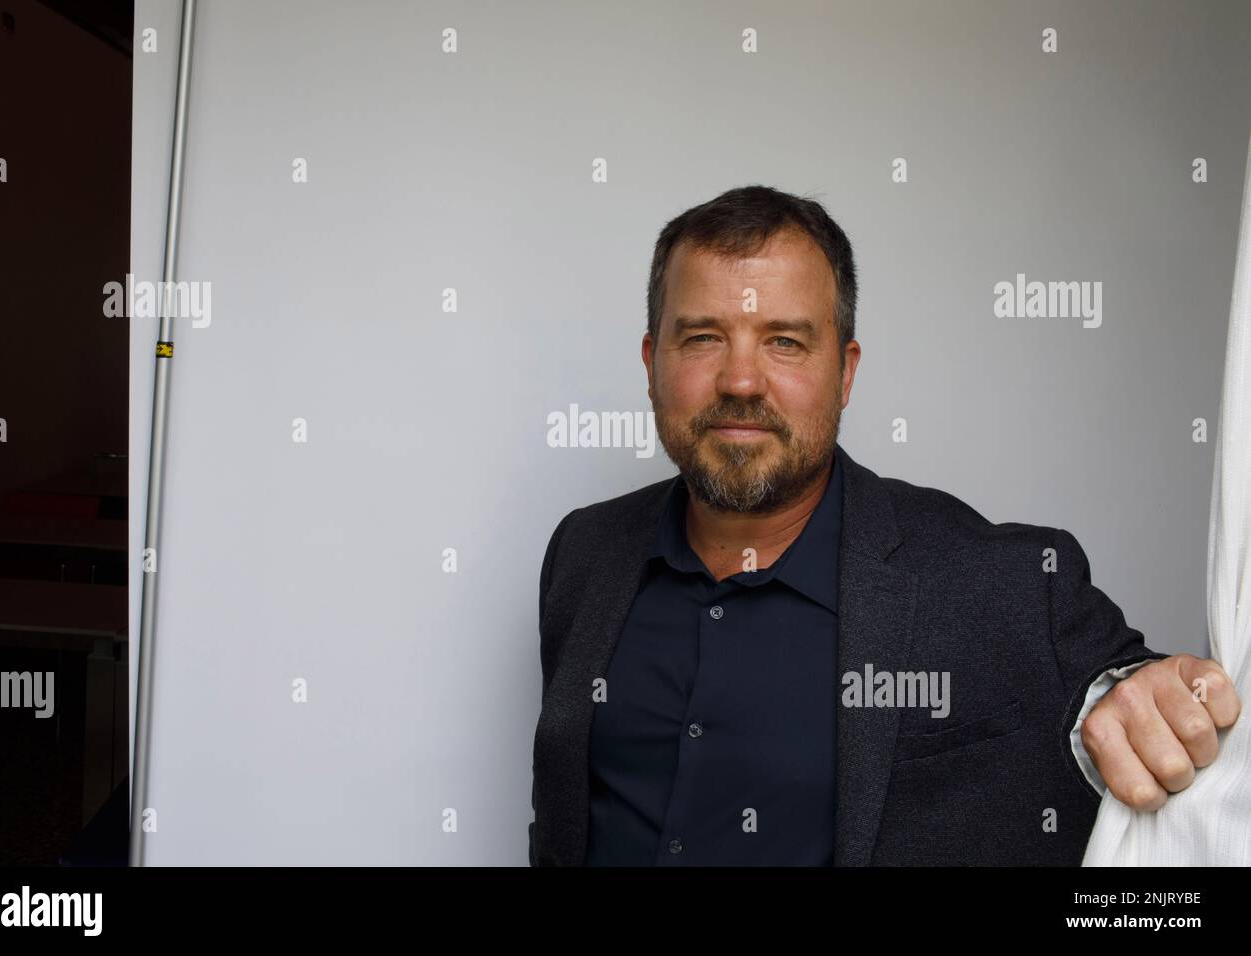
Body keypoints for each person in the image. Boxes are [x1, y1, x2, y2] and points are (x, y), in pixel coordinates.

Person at [528, 185, 1241, 866]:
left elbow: (1121, 694)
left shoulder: (1009, 585)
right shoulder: (583, 556)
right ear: (653, 363)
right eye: (704, 337)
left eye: (784, 341)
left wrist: (1149, 693)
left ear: (845, 371)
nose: (740, 381)